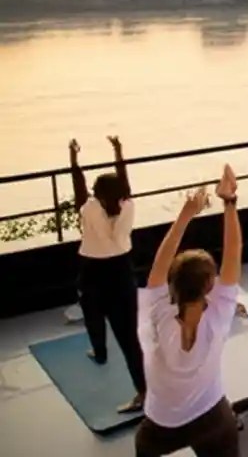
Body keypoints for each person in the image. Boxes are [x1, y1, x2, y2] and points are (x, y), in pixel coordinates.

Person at [134, 167, 242, 457]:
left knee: (143, 447)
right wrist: (229, 202)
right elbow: (234, 252)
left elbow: (159, 265)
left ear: (173, 282)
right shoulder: (219, 314)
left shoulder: (156, 312)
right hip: (212, 418)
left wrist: (185, 215)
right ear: (210, 286)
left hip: (161, 424)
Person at [70, 135, 146, 413]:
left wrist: (74, 159)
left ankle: (100, 352)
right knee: (129, 339)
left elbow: (79, 189)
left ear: (98, 195)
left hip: (92, 272)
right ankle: (144, 392)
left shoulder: (90, 209)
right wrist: (119, 151)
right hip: (122, 272)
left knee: (93, 317)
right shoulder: (128, 207)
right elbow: (125, 185)